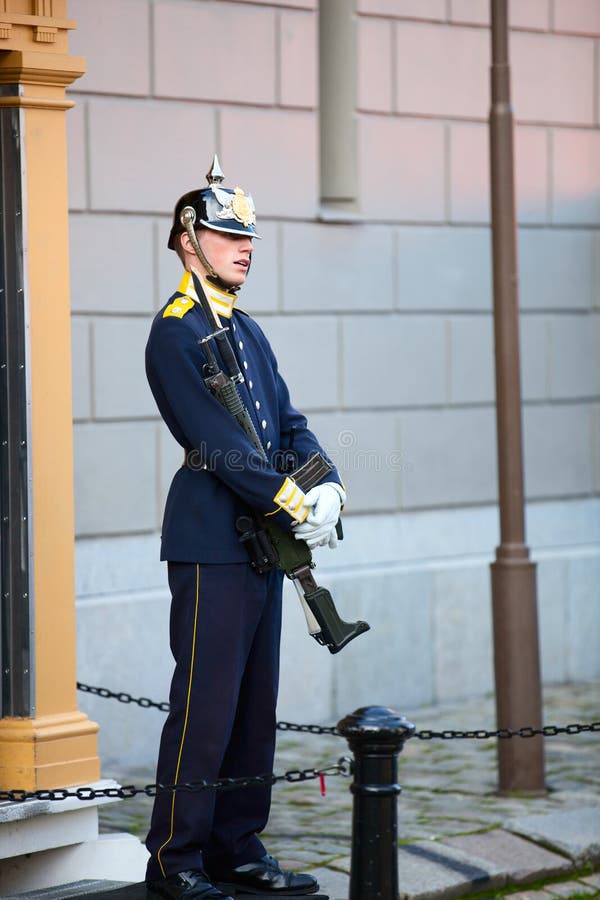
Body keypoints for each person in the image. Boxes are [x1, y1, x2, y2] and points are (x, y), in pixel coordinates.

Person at [144, 156, 345, 900]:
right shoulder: (175, 334)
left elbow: (286, 424)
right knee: (205, 708)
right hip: (210, 545)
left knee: (255, 707)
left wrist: (329, 485)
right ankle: (176, 860)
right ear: (189, 239)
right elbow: (217, 445)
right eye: (230, 234)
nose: (245, 245)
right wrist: (295, 501)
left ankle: (236, 845)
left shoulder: (247, 331)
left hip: (261, 548)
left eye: (249, 236)